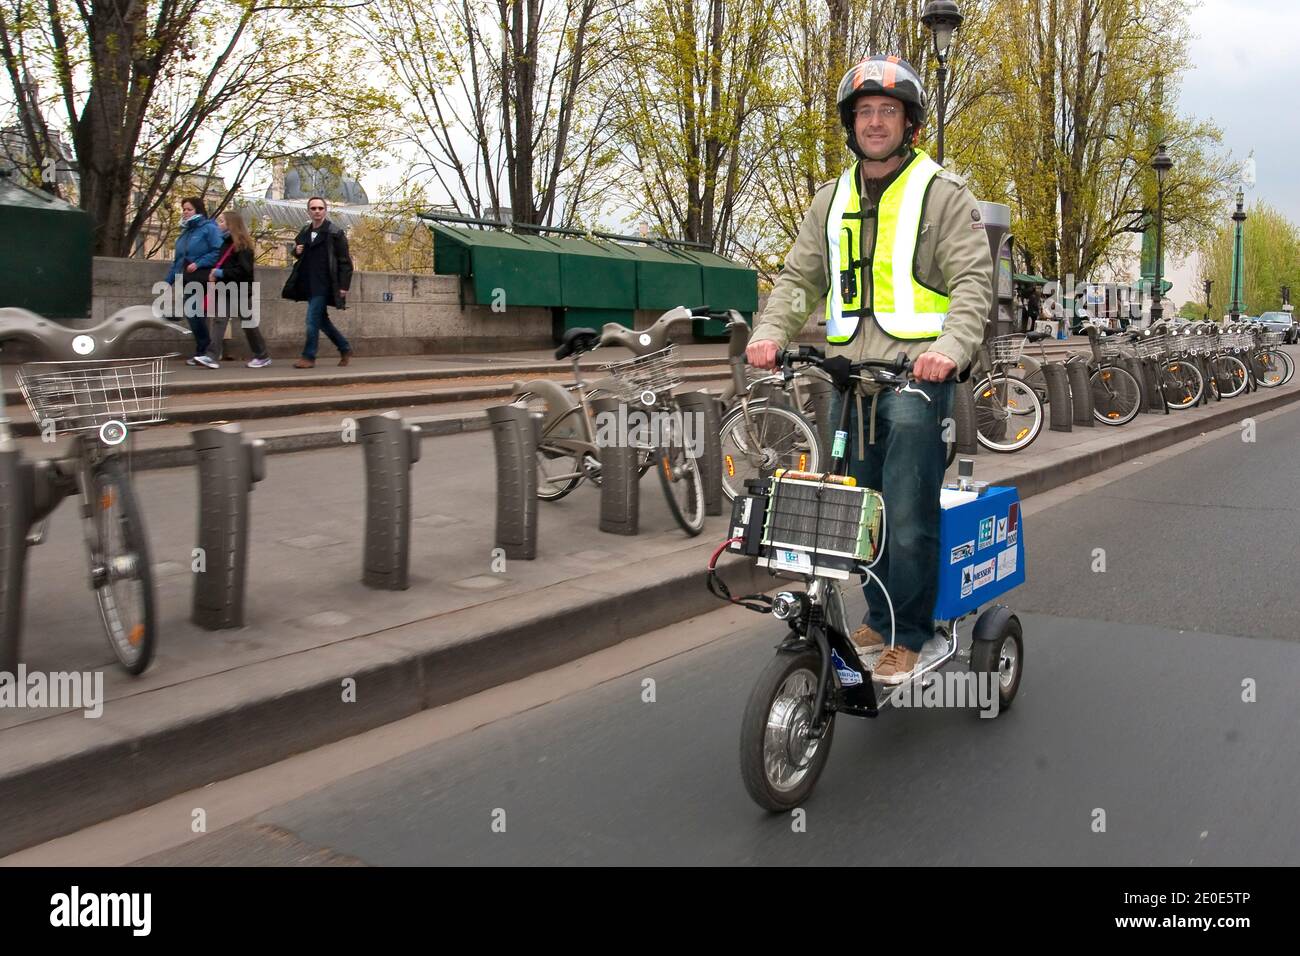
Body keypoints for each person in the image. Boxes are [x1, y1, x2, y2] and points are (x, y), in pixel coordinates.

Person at [746, 54, 992, 684]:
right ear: (850, 124)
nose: (875, 122)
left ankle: (908, 632)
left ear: (908, 123)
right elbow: (801, 278)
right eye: (864, 112)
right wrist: (771, 332)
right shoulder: (830, 198)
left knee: (908, 517)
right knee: (863, 515)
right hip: (846, 382)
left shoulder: (943, 193)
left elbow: (971, 283)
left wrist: (950, 351)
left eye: (887, 111)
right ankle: (881, 617)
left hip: (916, 380)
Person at [281, 196, 353, 368]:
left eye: (320, 208)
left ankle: (309, 356)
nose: (317, 211)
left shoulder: (335, 233)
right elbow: (300, 253)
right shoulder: (305, 231)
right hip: (308, 283)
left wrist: (344, 286)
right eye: (313, 208)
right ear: (309, 211)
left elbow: (345, 262)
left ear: (325, 211)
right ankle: (344, 347)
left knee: (312, 320)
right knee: (322, 321)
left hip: (325, 284)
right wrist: (297, 252)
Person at [205, 209, 272, 368]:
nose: (218, 224)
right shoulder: (226, 242)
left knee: (248, 323)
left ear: (231, 225)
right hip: (227, 288)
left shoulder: (242, 245)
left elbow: (244, 271)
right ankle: (211, 356)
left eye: (221, 221)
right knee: (220, 320)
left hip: (239, 289)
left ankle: (262, 355)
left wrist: (220, 272)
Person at [164, 196, 224, 366]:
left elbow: (217, 251)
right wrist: (168, 281)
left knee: (194, 313)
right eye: (183, 209)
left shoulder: (209, 228)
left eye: (189, 209)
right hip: (189, 277)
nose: (185, 212)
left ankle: (205, 350)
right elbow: (178, 261)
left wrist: (199, 263)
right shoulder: (185, 232)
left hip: (204, 276)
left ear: (198, 210)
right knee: (194, 314)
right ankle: (203, 351)